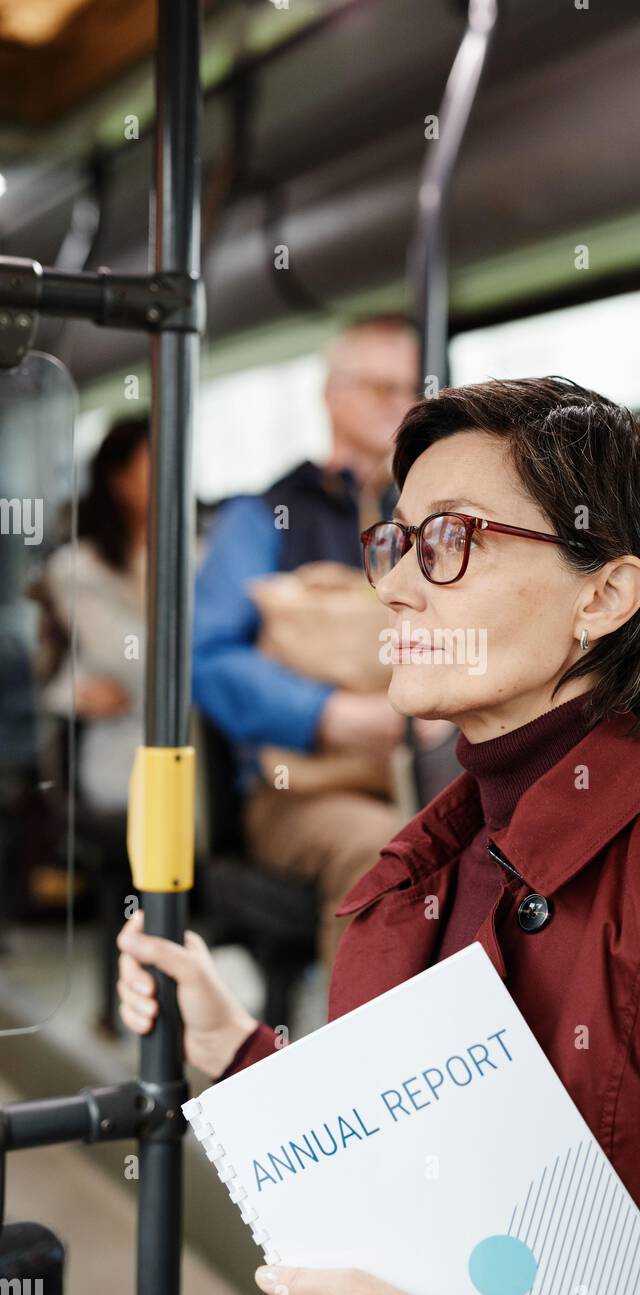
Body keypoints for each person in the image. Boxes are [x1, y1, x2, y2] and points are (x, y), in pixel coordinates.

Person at [117, 376, 640, 1295]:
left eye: (451, 541)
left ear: (604, 596)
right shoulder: (430, 868)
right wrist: (236, 1044)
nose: (391, 588)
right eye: (395, 542)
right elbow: (426, 1160)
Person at [192, 313, 447, 974]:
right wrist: (327, 716)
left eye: (412, 388)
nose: (401, 405)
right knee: (386, 848)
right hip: (297, 791)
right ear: (331, 395)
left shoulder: (432, 524)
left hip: (421, 772)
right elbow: (207, 660)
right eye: (379, 388)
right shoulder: (259, 518)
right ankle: (362, 1067)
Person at [38, 416, 149, 813]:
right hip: (123, 756)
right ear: (118, 480)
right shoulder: (77, 569)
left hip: (210, 751)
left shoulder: (199, 551)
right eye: (154, 464)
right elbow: (126, 658)